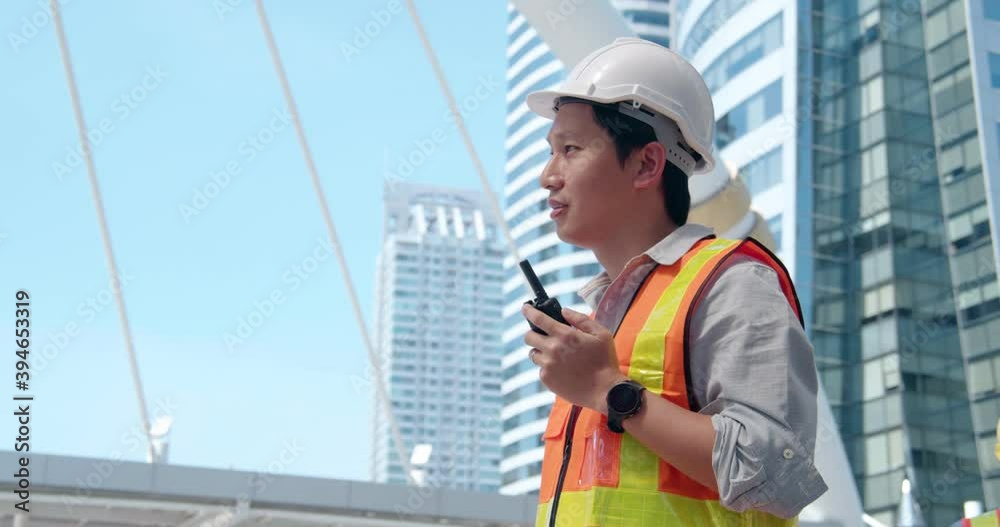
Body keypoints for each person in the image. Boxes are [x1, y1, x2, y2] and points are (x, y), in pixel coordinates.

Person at [519, 38, 828, 526]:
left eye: (570, 149)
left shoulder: (733, 282)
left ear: (647, 164)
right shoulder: (607, 318)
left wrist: (610, 389)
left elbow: (777, 475)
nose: (547, 176)